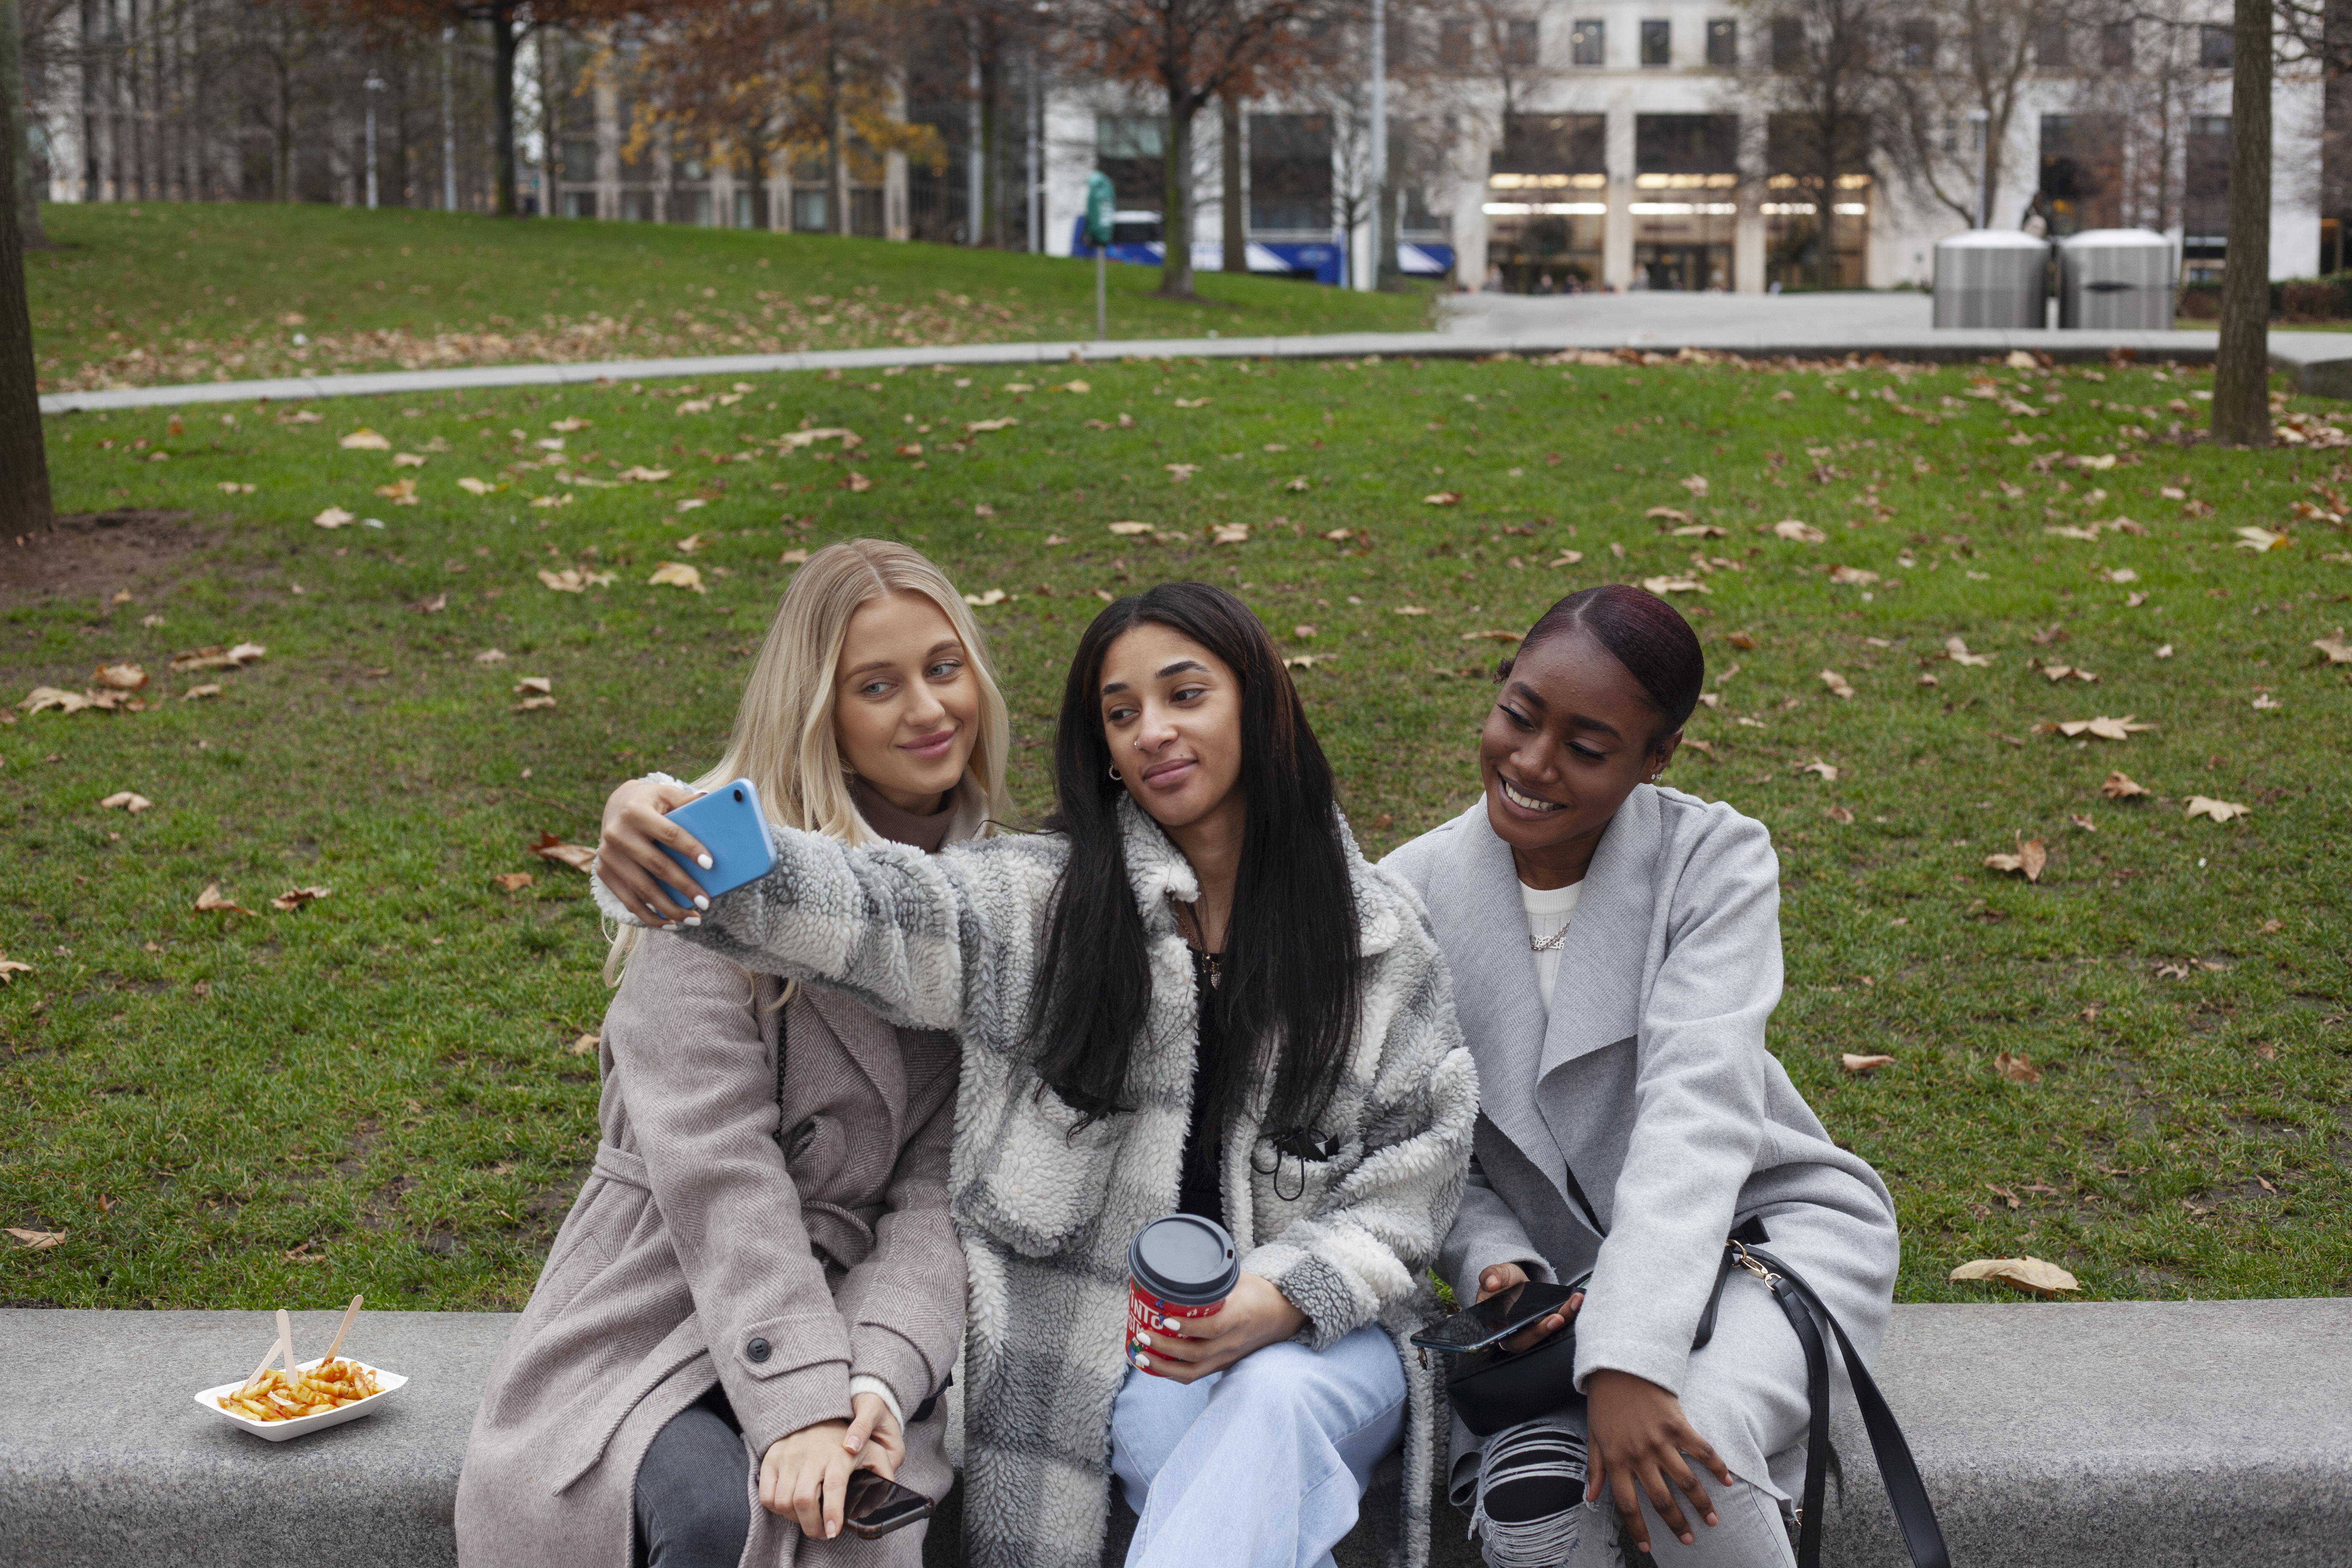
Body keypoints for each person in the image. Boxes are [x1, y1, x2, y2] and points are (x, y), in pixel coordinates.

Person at [593, 582, 1478, 1568]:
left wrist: (1278, 1301)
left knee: (1274, 1399)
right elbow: (878, 908)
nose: (1154, 732)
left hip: (1327, 1344)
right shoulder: (1047, 904)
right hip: (1136, 1354)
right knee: (1206, 1471)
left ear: (1259, 704)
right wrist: (673, 836)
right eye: (1121, 712)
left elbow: (1418, 1180)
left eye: (1187, 695)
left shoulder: (1378, 939)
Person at [455, 539, 1013, 1568]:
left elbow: (946, 1193)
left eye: (944, 668)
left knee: (848, 1526)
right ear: (822, 715)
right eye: (877, 686)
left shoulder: (997, 905)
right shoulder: (711, 875)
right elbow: (715, 1166)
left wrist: (873, 1380)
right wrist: (796, 1396)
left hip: (860, 1312)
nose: (929, 710)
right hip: (657, 1301)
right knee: (709, 1518)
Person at [1382, 585, 1900, 1568]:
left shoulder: (1712, 860)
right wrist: (1496, 1268)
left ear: (1655, 759)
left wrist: (1628, 1359)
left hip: (1767, 1232)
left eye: (1586, 748)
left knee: (1690, 1457)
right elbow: (1435, 1149)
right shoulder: (1406, 896)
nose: (1531, 765)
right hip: (1558, 1289)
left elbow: (1697, 1114)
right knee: (1541, 1515)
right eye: (1519, 716)